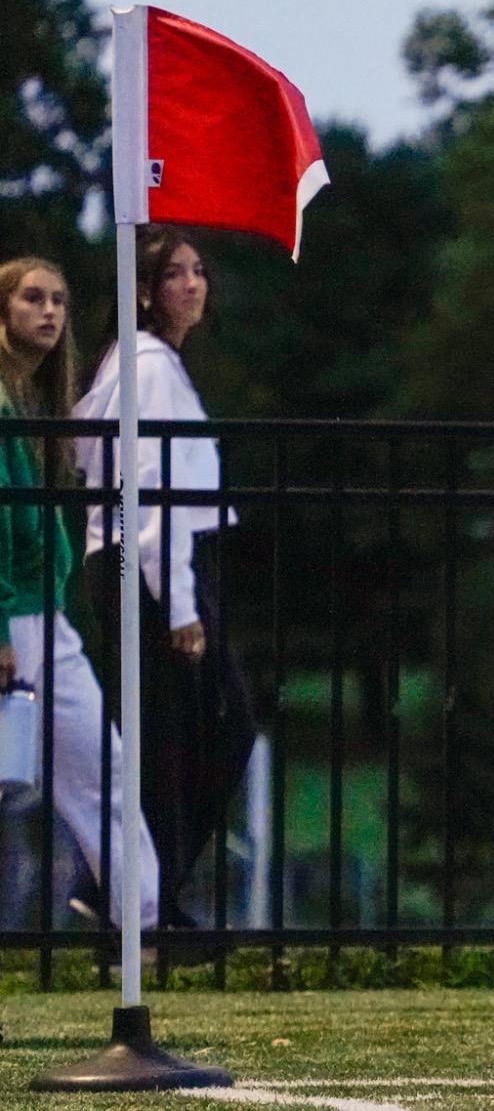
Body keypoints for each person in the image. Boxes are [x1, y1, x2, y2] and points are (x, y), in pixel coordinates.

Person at [73, 227, 258, 929]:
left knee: (171, 733)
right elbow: (149, 488)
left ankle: (142, 892)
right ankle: (134, 892)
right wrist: (179, 601)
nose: (193, 283)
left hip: (135, 558)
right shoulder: (147, 364)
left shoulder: (138, 363)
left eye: (199, 271)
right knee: (208, 727)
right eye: (174, 273)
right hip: (149, 560)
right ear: (144, 293)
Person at [0, 255, 161, 930]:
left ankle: (144, 925)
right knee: (94, 772)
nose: (50, 312)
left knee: (102, 770)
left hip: (43, 614)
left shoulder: (29, 401)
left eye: (60, 301)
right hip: (18, 619)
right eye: (33, 298)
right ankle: (144, 924)